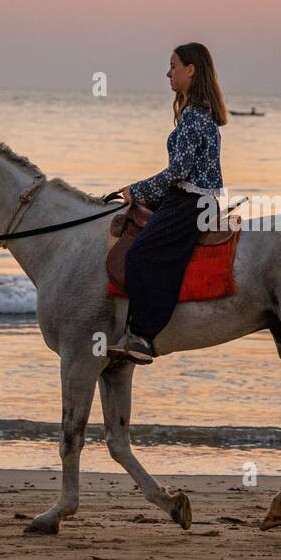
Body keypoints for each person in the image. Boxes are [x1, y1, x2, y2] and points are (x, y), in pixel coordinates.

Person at [108, 43, 228, 364]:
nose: (168, 72)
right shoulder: (202, 113)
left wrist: (138, 188)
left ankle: (143, 336)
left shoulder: (192, 118)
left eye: (173, 66)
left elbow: (179, 172)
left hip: (189, 204)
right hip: (192, 199)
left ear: (191, 70)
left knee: (139, 255)